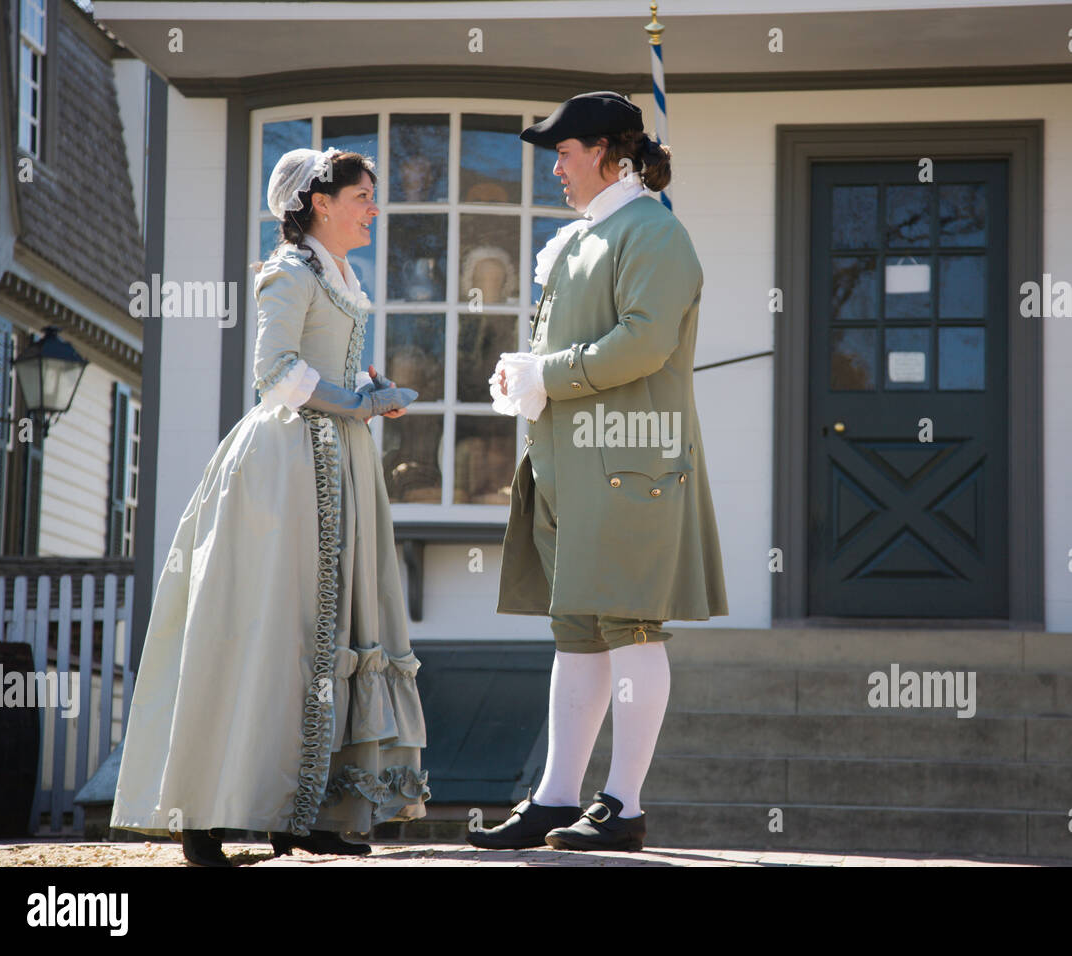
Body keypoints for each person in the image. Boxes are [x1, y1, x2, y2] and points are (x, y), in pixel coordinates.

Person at [110, 147, 429, 866]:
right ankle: (209, 811)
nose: (373, 208)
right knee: (263, 629)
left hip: (339, 458)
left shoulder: (341, 275)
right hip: (283, 466)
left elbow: (324, 367)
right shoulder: (289, 270)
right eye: (363, 196)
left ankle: (306, 814)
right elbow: (274, 369)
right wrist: (358, 402)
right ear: (321, 202)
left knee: (329, 629)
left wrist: (366, 393)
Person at [475, 91, 728, 852]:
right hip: (571, 464)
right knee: (576, 629)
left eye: (564, 152)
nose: (555, 167)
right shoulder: (593, 235)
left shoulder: (654, 232)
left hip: (628, 463)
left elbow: (643, 344)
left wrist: (546, 373)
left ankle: (624, 803)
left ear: (604, 153)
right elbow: (582, 346)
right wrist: (524, 376)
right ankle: (558, 797)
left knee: (629, 625)